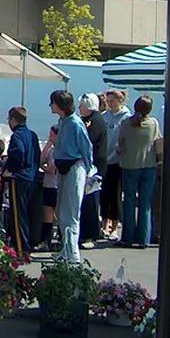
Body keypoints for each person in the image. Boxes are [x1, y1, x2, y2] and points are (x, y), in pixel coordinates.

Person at [50, 90, 93, 263]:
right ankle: (66, 248)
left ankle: (73, 252)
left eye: (53, 102)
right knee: (61, 211)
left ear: (60, 105)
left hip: (75, 167)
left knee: (71, 211)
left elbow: (86, 146)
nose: (51, 106)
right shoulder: (63, 122)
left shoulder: (75, 123)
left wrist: (89, 170)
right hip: (63, 168)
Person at [117, 95, 162, 249]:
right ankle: (144, 238)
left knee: (129, 202)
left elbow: (120, 144)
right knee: (145, 203)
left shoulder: (126, 123)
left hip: (129, 165)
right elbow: (158, 142)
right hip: (149, 166)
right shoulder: (153, 123)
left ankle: (127, 238)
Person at [4, 106, 42, 261]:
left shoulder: (17, 136)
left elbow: (17, 153)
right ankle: (27, 245)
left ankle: (21, 250)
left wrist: (10, 169)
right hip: (32, 177)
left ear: (13, 120)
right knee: (28, 213)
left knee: (18, 214)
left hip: (19, 178)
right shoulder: (32, 135)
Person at [100, 89, 131, 240]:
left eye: (112, 101)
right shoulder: (104, 116)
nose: (109, 103)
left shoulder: (126, 117)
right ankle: (104, 225)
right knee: (104, 194)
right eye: (108, 101)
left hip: (118, 161)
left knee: (116, 194)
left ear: (120, 101)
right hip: (104, 160)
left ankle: (114, 226)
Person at [78, 93, 107, 248]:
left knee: (91, 201)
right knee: (86, 201)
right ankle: (85, 233)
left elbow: (88, 141)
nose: (79, 109)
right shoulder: (88, 120)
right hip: (90, 166)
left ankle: (91, 235)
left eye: (81, 106)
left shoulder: (96, 121)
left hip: (94, 168)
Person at [38, 123, 59, 251]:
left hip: (56, 185)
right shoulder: (51, 150)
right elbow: (41, 160)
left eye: (52, 135)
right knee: (47, 214)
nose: (50, 137)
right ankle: (46, 240)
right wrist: (46, 147)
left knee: (58, 214)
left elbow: (51, 169)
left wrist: (43, 168)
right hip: (48, 185)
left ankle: (59, 240)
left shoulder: (60, 151)